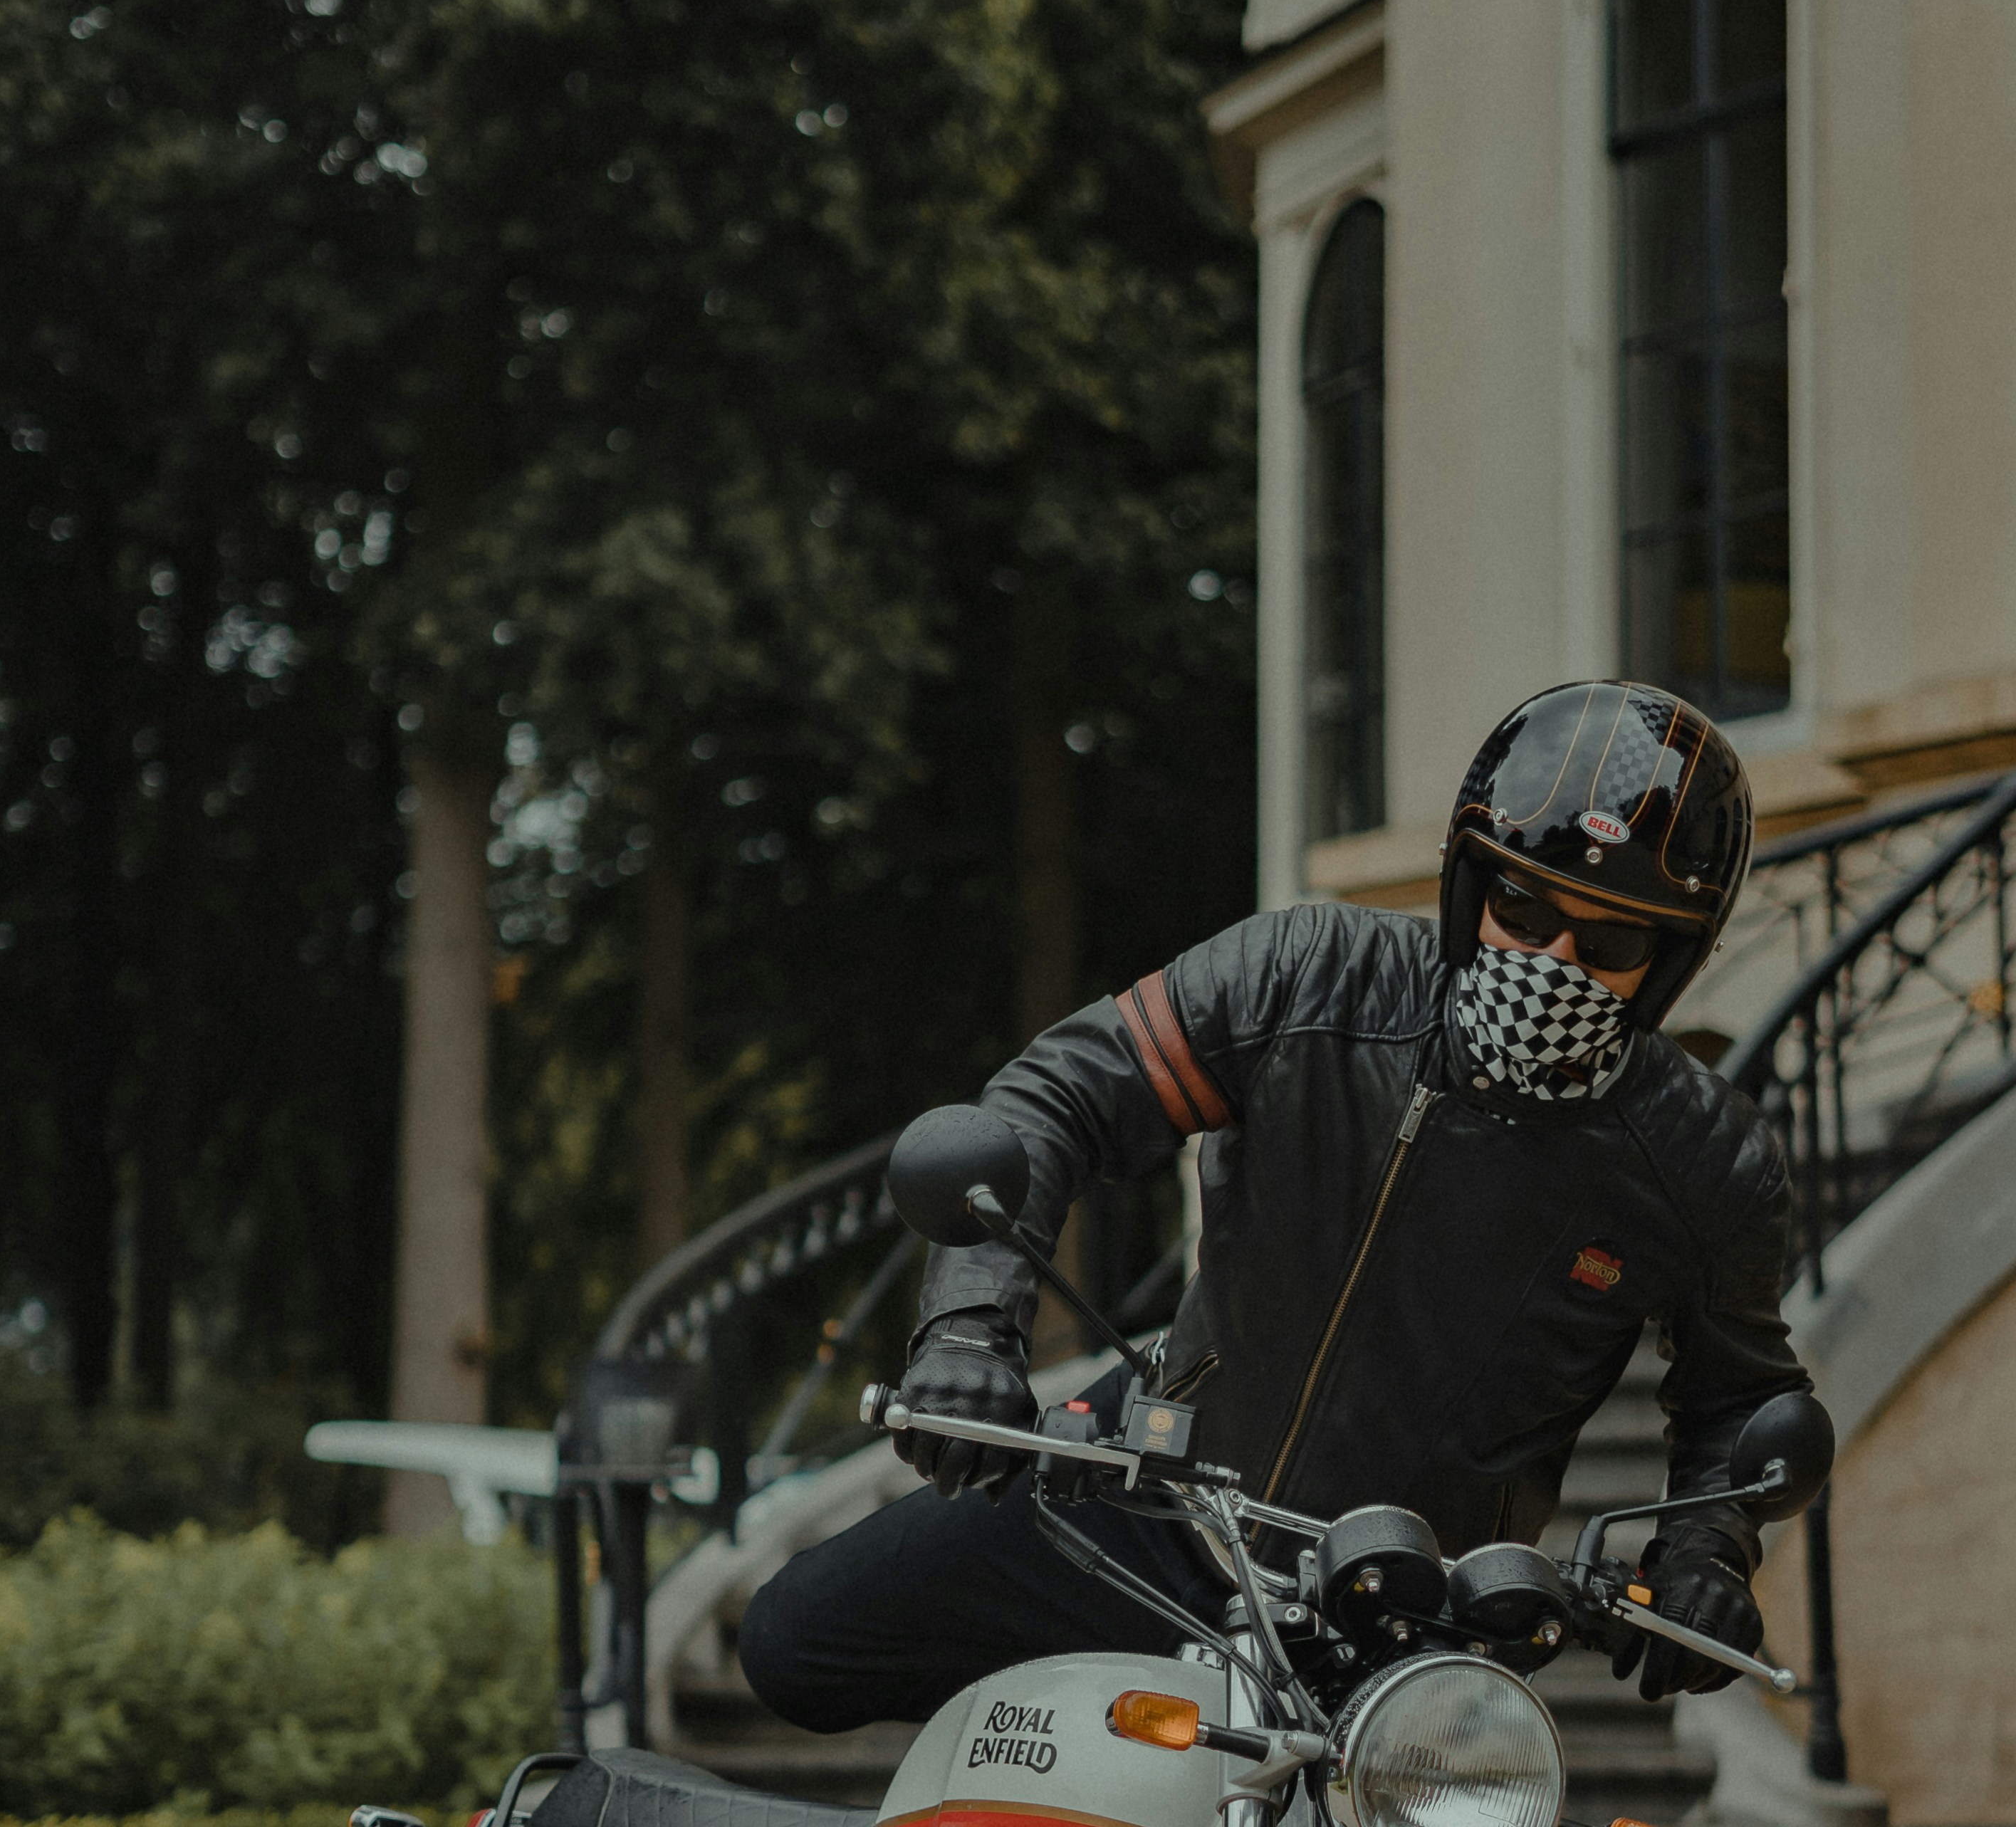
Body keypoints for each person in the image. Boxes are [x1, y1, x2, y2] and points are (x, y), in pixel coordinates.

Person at [737, 679, 1814, 1736]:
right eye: (1521, 908)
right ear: (1466, 884)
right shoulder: (1307, 979)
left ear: (1671, 961)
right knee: (798, 1643)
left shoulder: (1706, 1162)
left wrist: (1706, 1550)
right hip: (1150, 1499)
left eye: (1613, 943)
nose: (1552, 959)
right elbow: (1060, 1095)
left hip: (1398, 1615)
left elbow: (1739, 1403)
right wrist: (973, 1318)